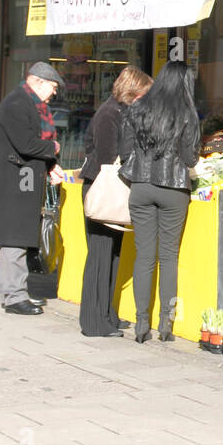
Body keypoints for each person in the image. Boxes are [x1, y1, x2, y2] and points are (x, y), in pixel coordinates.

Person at [119, 61, 199, 343]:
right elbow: (190, 158)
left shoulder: (137, 108)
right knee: (169, 258)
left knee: (144, 257)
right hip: (173, 190)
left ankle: (141, 324)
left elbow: (124, 150)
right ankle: (167, 323)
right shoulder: (187, 112)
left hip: (140, 188)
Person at [0, 62, 67, 316]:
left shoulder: (27, 102)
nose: (54, 93)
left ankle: (16, 291)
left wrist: (51, 165)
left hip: (23, 179)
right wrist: (53, 150)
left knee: (16, 238)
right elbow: (27, 144)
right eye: (52, 87)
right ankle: (14, 298)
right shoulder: (17, 104)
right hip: (15, 181)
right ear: (38, 82)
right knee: (13, 239)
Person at [77, 65, 152, 338]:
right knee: (99, 256)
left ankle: (107, 314)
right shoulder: (110, 114)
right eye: (143, 93)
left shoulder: (119, 111)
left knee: (112, 255)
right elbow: (109, 157)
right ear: (132, 90)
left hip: (108, 190)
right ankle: (93, 322)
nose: (145, 98)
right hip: (103, 190)